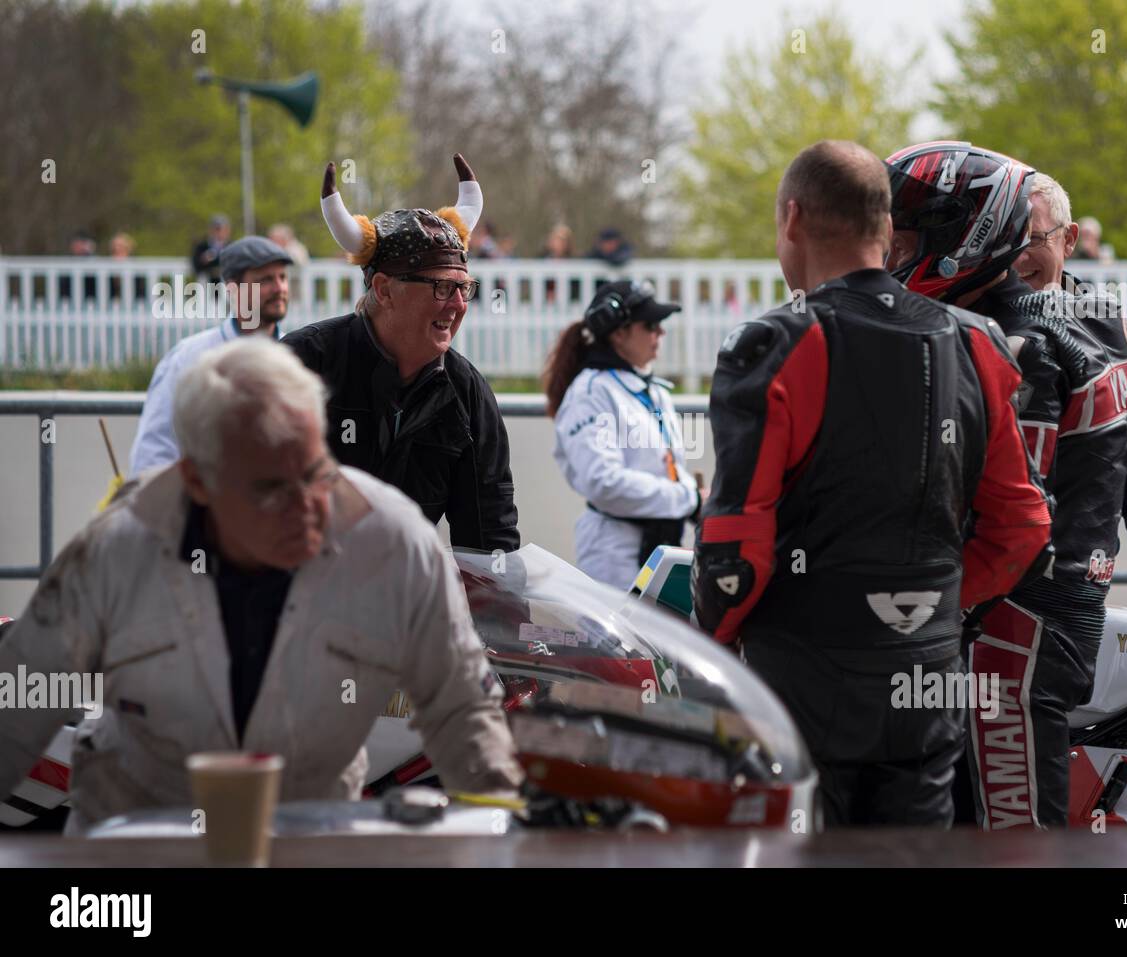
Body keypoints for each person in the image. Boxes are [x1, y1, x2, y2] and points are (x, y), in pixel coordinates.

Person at [0, 337, 523, 834]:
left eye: (319, 471)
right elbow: (18, 712)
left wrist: (502, 830)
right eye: (271, 488)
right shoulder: (118, 549)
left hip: (309, 837)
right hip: (139, 842)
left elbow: (463, 712)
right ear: (197, 482)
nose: (308, 507)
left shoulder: (395, 543)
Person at [691, 140, 1053, 828]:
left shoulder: (774, 344)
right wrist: (934, 606)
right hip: (927, 686)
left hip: (797, 692)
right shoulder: (978, 344)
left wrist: (705, 653)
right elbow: (1025, 528)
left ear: (792, 219)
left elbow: (736, 553)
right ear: (885, 230)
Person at [889, 141, 1127, 829]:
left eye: (911, 233)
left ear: (962, 232)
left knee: (1013, 839)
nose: (894, 250)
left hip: (1013, 624)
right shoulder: (1094, 316)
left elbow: (1005, 522)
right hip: (1050, 609)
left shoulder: (1015, 337)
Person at [283, 155, 520, 552]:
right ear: (384, 289)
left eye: (465, 288)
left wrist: (499, 612)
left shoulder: (467, 391)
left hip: (405, 598)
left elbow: (490, 532)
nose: (457, 304)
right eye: (441, 288)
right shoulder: (301, 365)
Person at [1014, 172, 1127, 603]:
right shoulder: (975, 321)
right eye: (1008, 244)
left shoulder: (1107, 335)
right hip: (983, 598)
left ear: (1069, 239)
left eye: (1036, 240)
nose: (1018, 261)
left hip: (1071, 600)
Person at [546, 280, 701, 588]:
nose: (661, 332)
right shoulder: (591, 393)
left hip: (660, 547)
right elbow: (602, 481)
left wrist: (694, 497)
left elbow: (667, 468)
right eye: (651, 324)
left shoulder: (653, 390)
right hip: (615, 557)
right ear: (618, 332)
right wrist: (689, 499)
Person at [129, 235, 293, 477]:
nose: (279, 288)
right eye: (265, 280)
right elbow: (154, 453)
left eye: (282, 277)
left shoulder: (299, 356)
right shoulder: (188, 359)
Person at [192, 214, 231, 284]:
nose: (220, 232)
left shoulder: (232, 246)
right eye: (217, 229)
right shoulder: (202, 246)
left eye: (223, 229)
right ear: (211, 230)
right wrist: (203, 260)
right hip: (207, 287)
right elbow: (196, 265)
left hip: (226, 288)